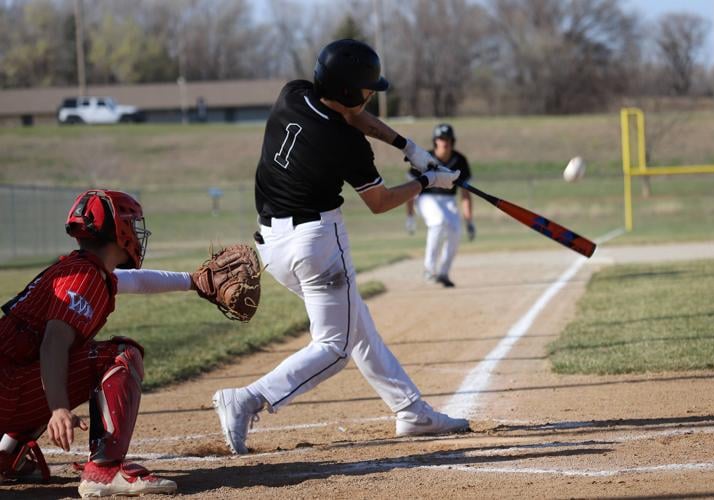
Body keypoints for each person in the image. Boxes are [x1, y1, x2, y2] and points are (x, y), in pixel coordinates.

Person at [212, 38, 468, 455]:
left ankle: (411, 410)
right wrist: (428, 181)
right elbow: (380, 202)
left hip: (272, 246)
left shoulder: (293, 93)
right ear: (352, 92)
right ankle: (247, 398)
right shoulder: (347, 145)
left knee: (357, 323)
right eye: (367, 91)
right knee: (336, 346)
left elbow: (354, 116)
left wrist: (410, 149)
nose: (370, 96)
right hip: (317, 246)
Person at [0, 189, 182, 497]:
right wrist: (58, 408)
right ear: (119, 231)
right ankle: (105, 470)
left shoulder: (79, 267)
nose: (137, 234)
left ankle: (6, 455)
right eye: (132, 226)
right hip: (8, 388)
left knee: (62, 361)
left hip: (8, 381)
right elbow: (53, 342)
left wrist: (191, 282)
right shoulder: (86, 275)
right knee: (120, 355)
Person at [405, 123, 475, 288]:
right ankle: (429, 269)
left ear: (453, 141)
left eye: (448, 139)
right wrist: (409, 216)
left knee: (455, 230)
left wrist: (469, 221)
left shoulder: (460, 160)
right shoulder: (424, 158)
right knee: (438, 221)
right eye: (440, 139)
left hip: (449, 200)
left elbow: (465, 195)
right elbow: (409, 189)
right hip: (426, 198)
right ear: (435, 141)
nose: (444, 142)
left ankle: (443, 273)